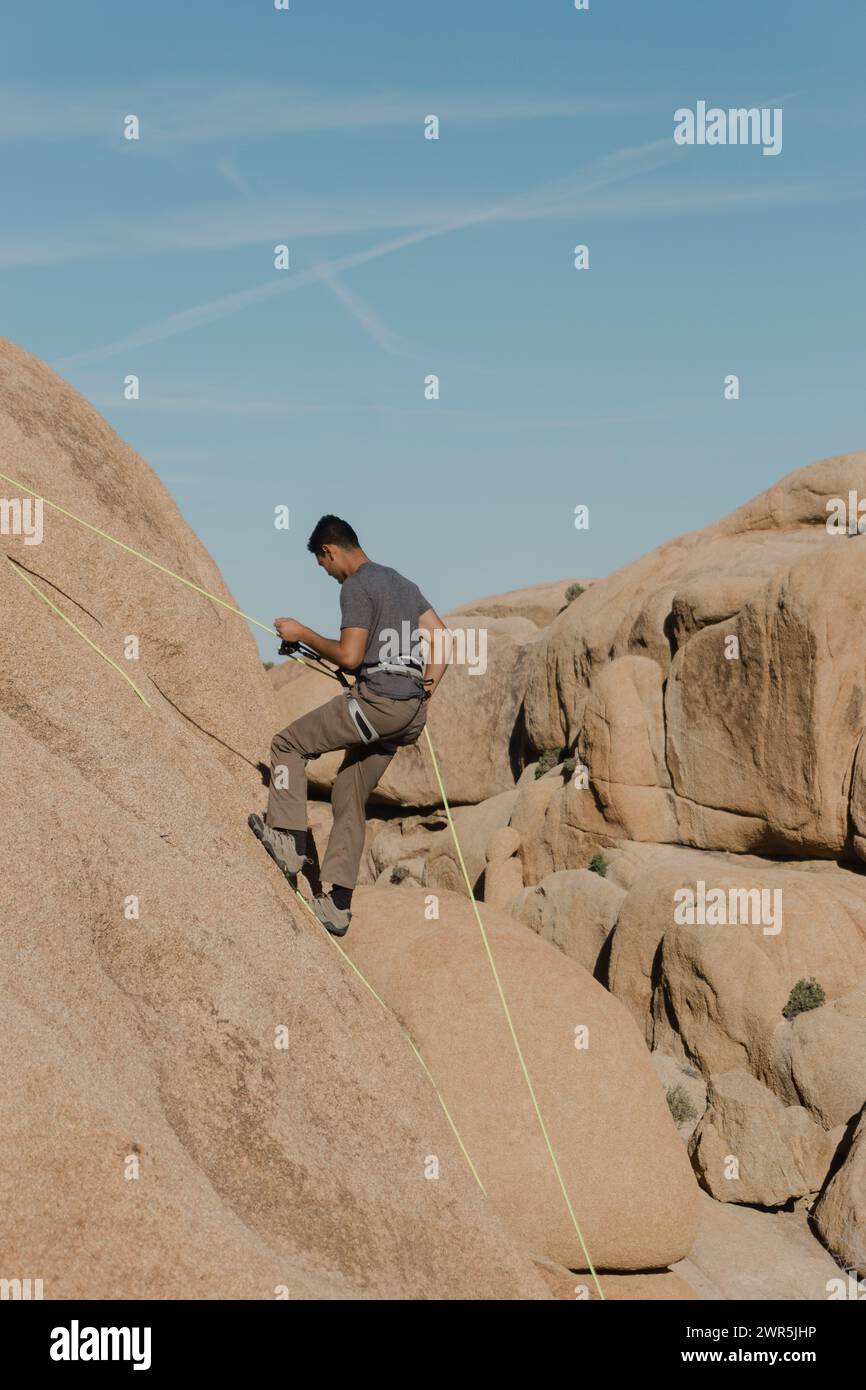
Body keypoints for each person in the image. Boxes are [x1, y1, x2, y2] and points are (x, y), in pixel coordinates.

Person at [249, 515, 450, 936]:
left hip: (376, 705)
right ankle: (338, 904)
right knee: (349, 791)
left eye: (324, 565)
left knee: (288, 745)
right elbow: (443, 639)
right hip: (410, 714)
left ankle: (287, 839)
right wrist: (423, 691)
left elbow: (351, 657)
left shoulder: (356, 585)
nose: (328, 574)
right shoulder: (401, 583)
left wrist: (303, 630)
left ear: (330, 551)